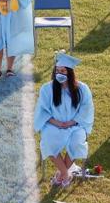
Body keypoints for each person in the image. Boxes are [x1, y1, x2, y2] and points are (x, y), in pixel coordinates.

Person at [34, 52, 93, 186]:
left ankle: (60, 174)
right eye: (57, 71)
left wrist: (71, 122)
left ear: (70, 72)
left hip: (75, 125)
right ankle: (66, 174)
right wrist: (58, 123)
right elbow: (42, 111)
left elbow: (86, 110)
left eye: (63, 71)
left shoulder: (82, 89)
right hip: (54, 125)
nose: (59, 74)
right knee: (49, 140)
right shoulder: (47, 89)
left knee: (77, 142)